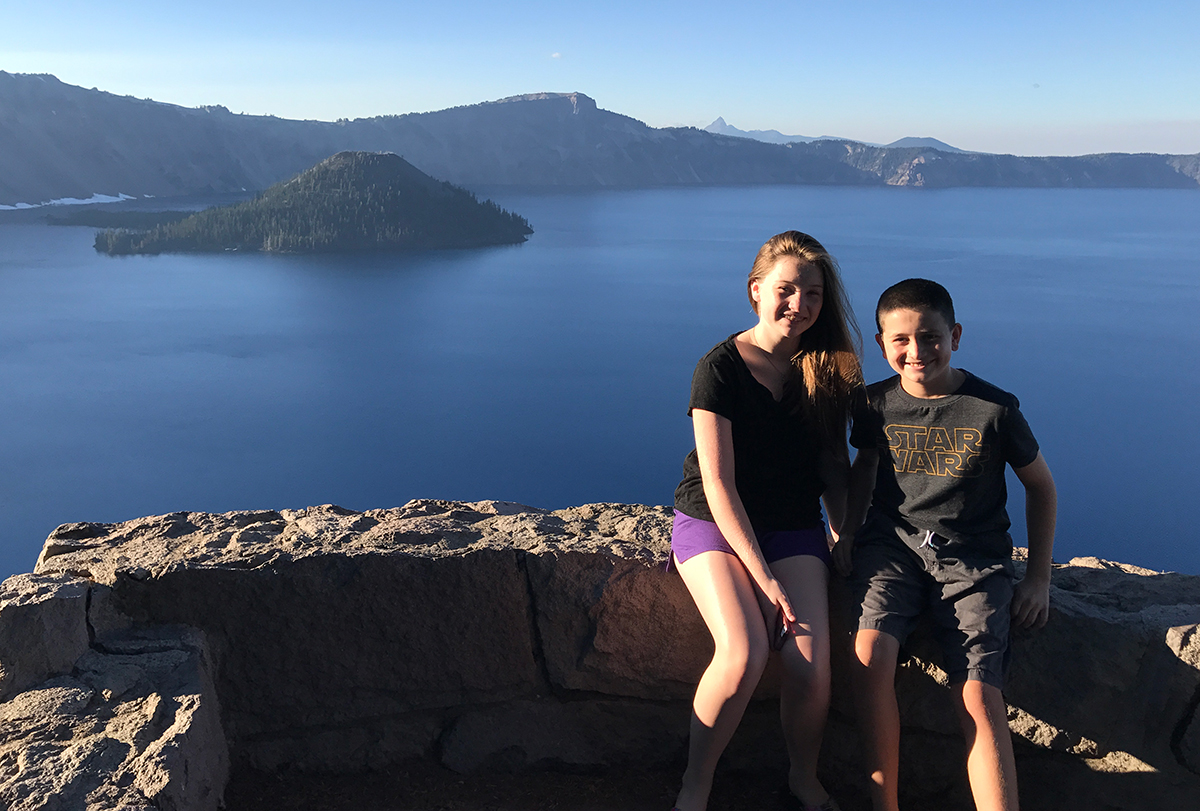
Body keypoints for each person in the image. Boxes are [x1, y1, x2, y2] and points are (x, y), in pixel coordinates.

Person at [832, 278, 1057, 811]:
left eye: (930, 336)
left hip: (973, 561)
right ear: (882, 345)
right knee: (869, 657)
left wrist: (1038, 578)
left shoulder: (993, 409)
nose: (916, 351)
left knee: (977, 693)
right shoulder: (874, 403)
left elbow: (1042, 487)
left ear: (954, 335)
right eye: (900, 340)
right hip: (892, 549)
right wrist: (847, 529)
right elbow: (866, 466)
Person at [670, 231, 862, 811]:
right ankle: (696, 783)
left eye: (813, 293)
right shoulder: (719, 368)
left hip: (792, 524)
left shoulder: (828, 368)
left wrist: (843, 535)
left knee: (810, 661)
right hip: (714, 523)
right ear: (756, 290)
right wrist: (765, 579)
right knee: (745, 651)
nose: (799, 304)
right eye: (786, 289)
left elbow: (832, 466)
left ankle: (803, 778)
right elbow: (718, 485)